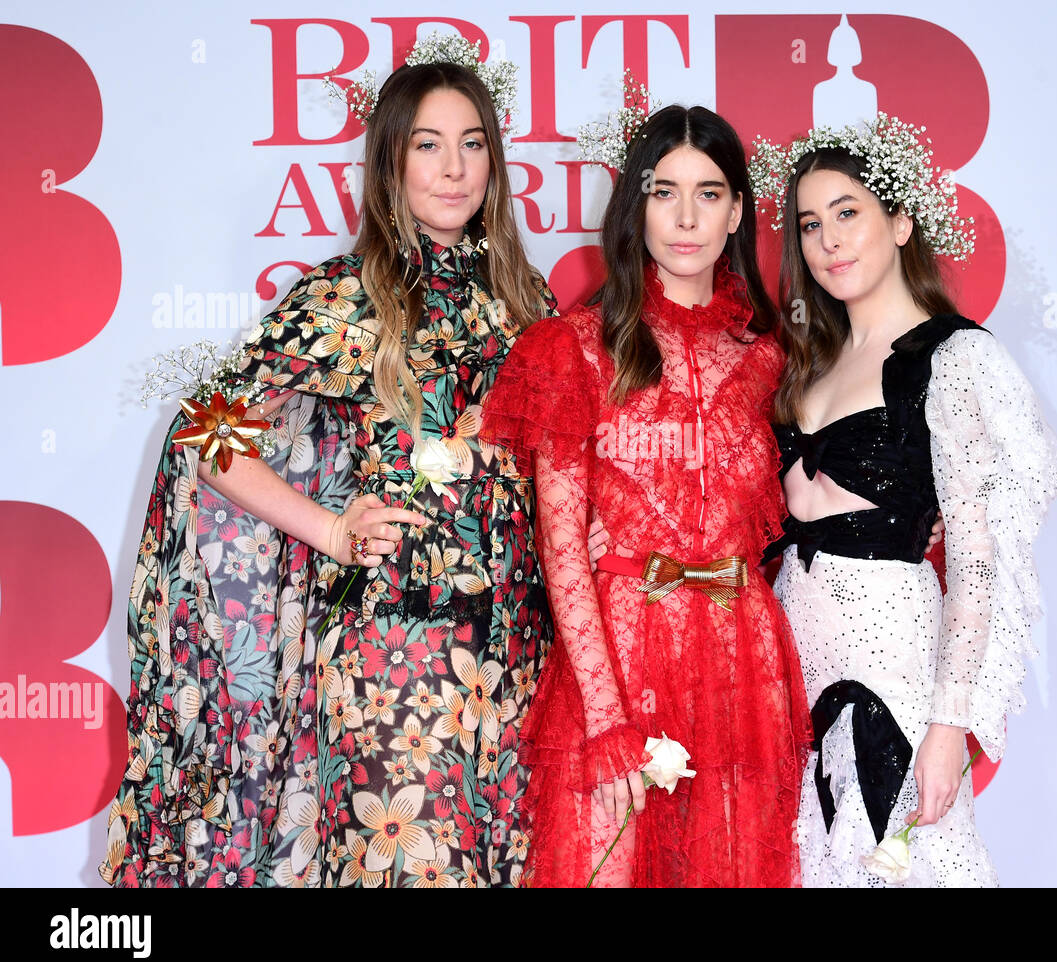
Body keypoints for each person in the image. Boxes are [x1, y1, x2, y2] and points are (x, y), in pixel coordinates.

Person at [100, 56, 560, 887]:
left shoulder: (528, 304)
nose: (454, 168)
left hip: (521, 657)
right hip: (396, 653)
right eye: (428, 145)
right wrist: (331, 530)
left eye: (472, 144)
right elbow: (208, 431)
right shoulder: (346, 297)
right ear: (391, 162)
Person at [480, 105, 811, 887]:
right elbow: (562, 546)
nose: (687, 218)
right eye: (665, 192)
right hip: (619, 663)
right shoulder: (576, 349)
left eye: (709, 193)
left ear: (737, 211)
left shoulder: (776, 359)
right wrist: (605, 718)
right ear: (636, 203)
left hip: (742, 670)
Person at [757, 116, 1057, 886]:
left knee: (909, 861)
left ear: (900, 222)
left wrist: (948, 724)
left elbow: (978, 563)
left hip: (893, 659)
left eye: (848, 212)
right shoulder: (806, 366)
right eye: (810, 224)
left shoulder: (956, 357)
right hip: (794, 662)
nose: (829, 240)